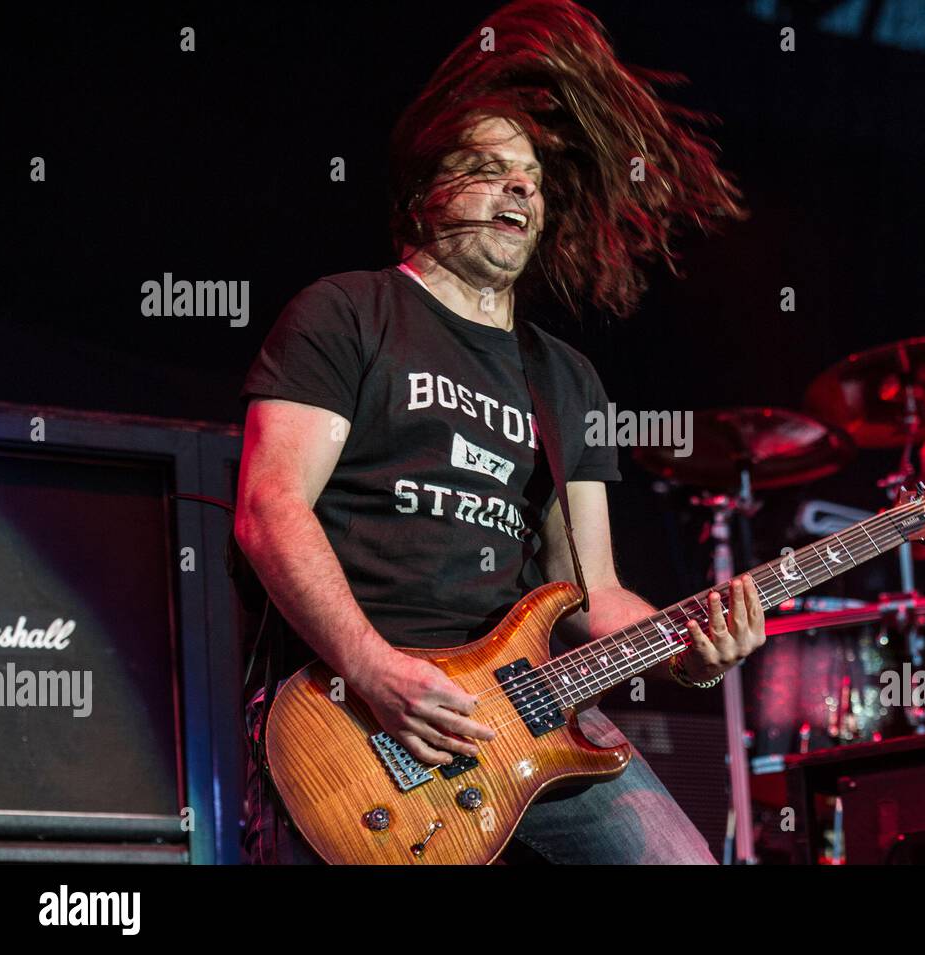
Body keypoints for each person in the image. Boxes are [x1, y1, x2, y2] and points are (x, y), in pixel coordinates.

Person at [233, 0, 752, 864]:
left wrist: (688, 652)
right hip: (358, 707)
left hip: (532, 704)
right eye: (487, 168)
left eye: (533, 180)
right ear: (423, 195)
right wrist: (370, 666)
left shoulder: (565, 377)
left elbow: (590, 593)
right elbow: (269, 507)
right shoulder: (346, 313)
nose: (520, 187)